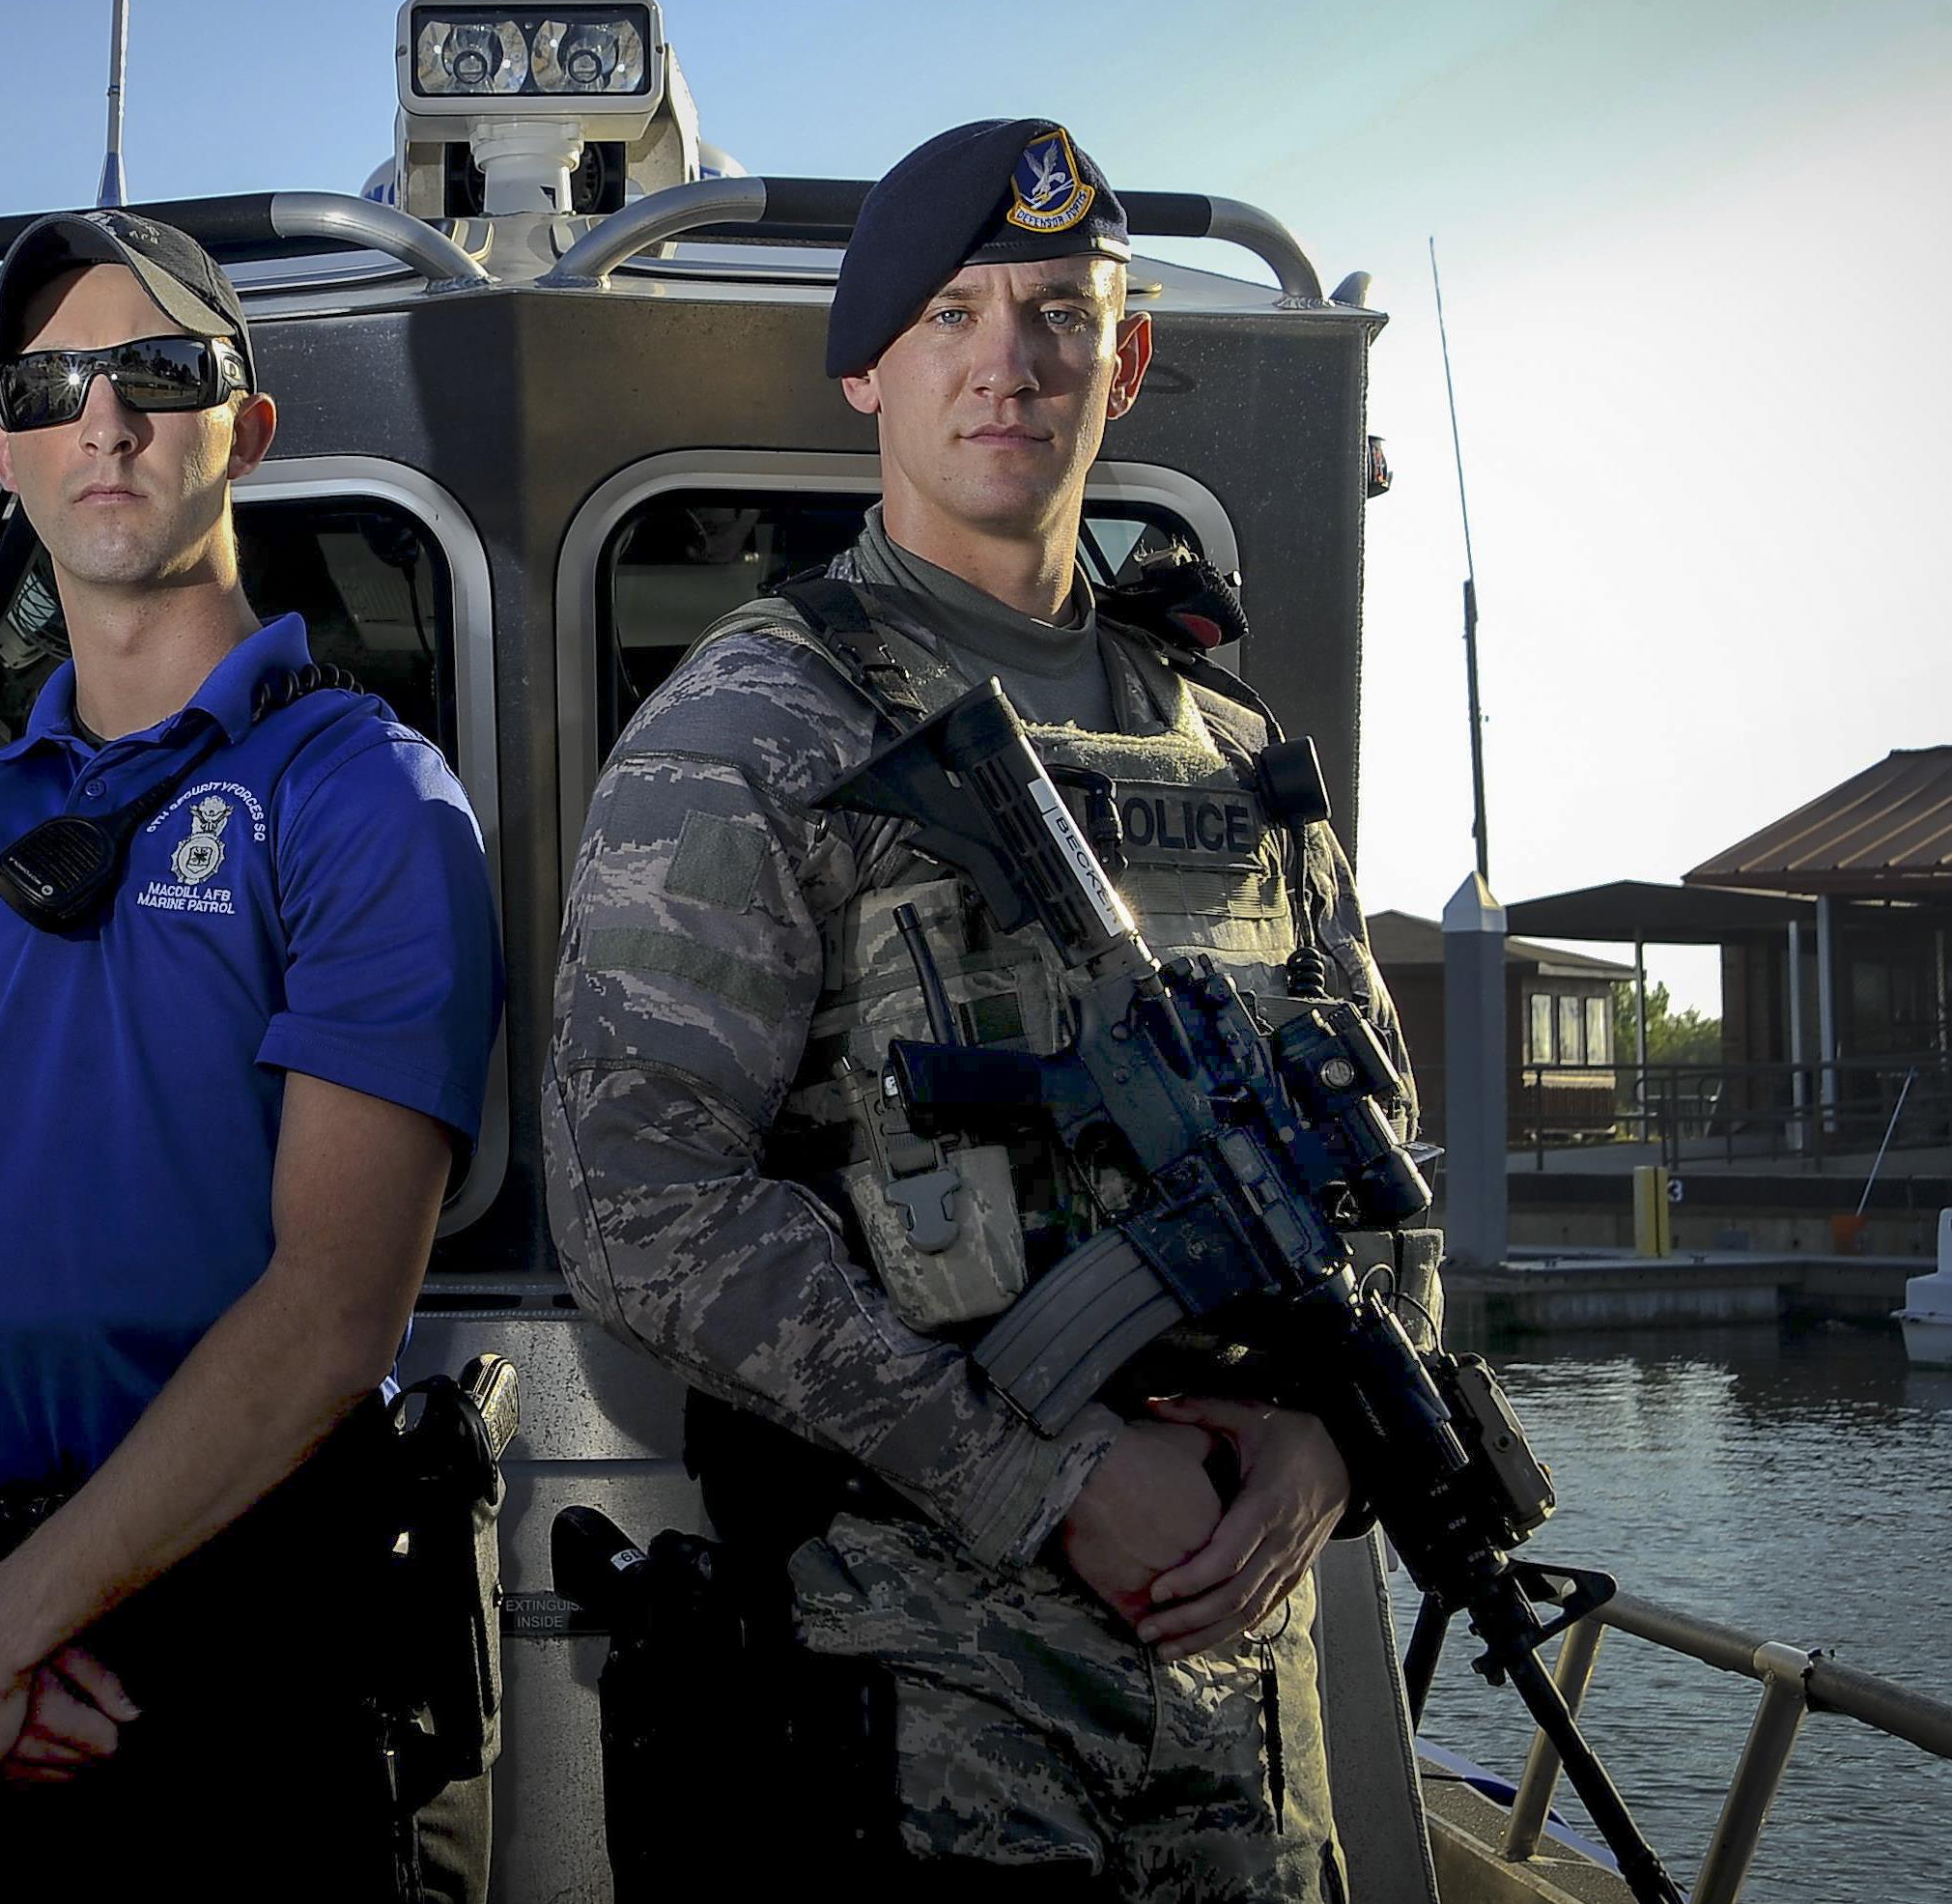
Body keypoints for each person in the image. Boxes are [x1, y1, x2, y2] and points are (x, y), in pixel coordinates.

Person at [544, 120, 1414, 1900]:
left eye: (1055, 313)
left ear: (1128, 355)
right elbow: (634, 1209)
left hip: (1241, 1724)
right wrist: (1046, 1469)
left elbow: (1381, 1155)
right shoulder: (755, 725)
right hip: (915, 1705)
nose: (1006, 362)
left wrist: (1333, 1447)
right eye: (950, 315)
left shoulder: (1233, 754)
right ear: (866, 366)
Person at [0, 209, 504, 1899]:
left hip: (249, 1637)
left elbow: (336, 1312)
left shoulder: (363, 800)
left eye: (158, 370)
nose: (101, 416)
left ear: (244, 428)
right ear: (4, 453)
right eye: (51, 385)